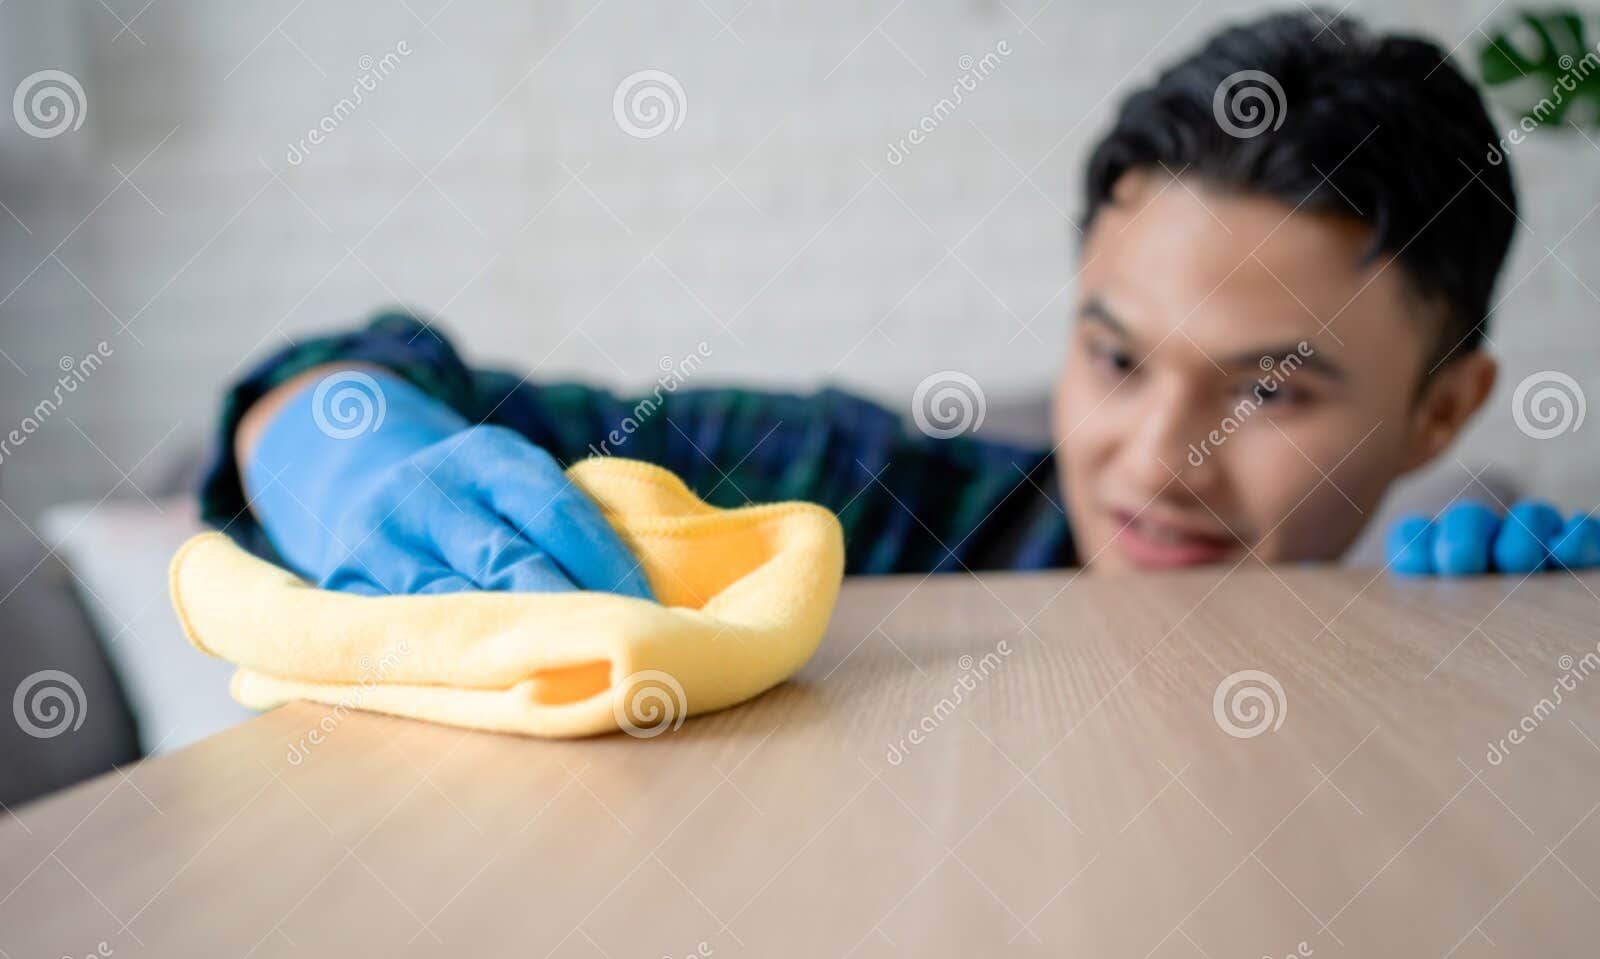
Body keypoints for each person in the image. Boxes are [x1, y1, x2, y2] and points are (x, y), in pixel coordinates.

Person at [201, 9, 1593, 600]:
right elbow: (348, 376)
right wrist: (345, 450)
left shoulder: (1458, 628)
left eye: (1270, 389)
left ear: (1442, 413)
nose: (1160, 459)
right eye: (1117, 360)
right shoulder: (873, 509)